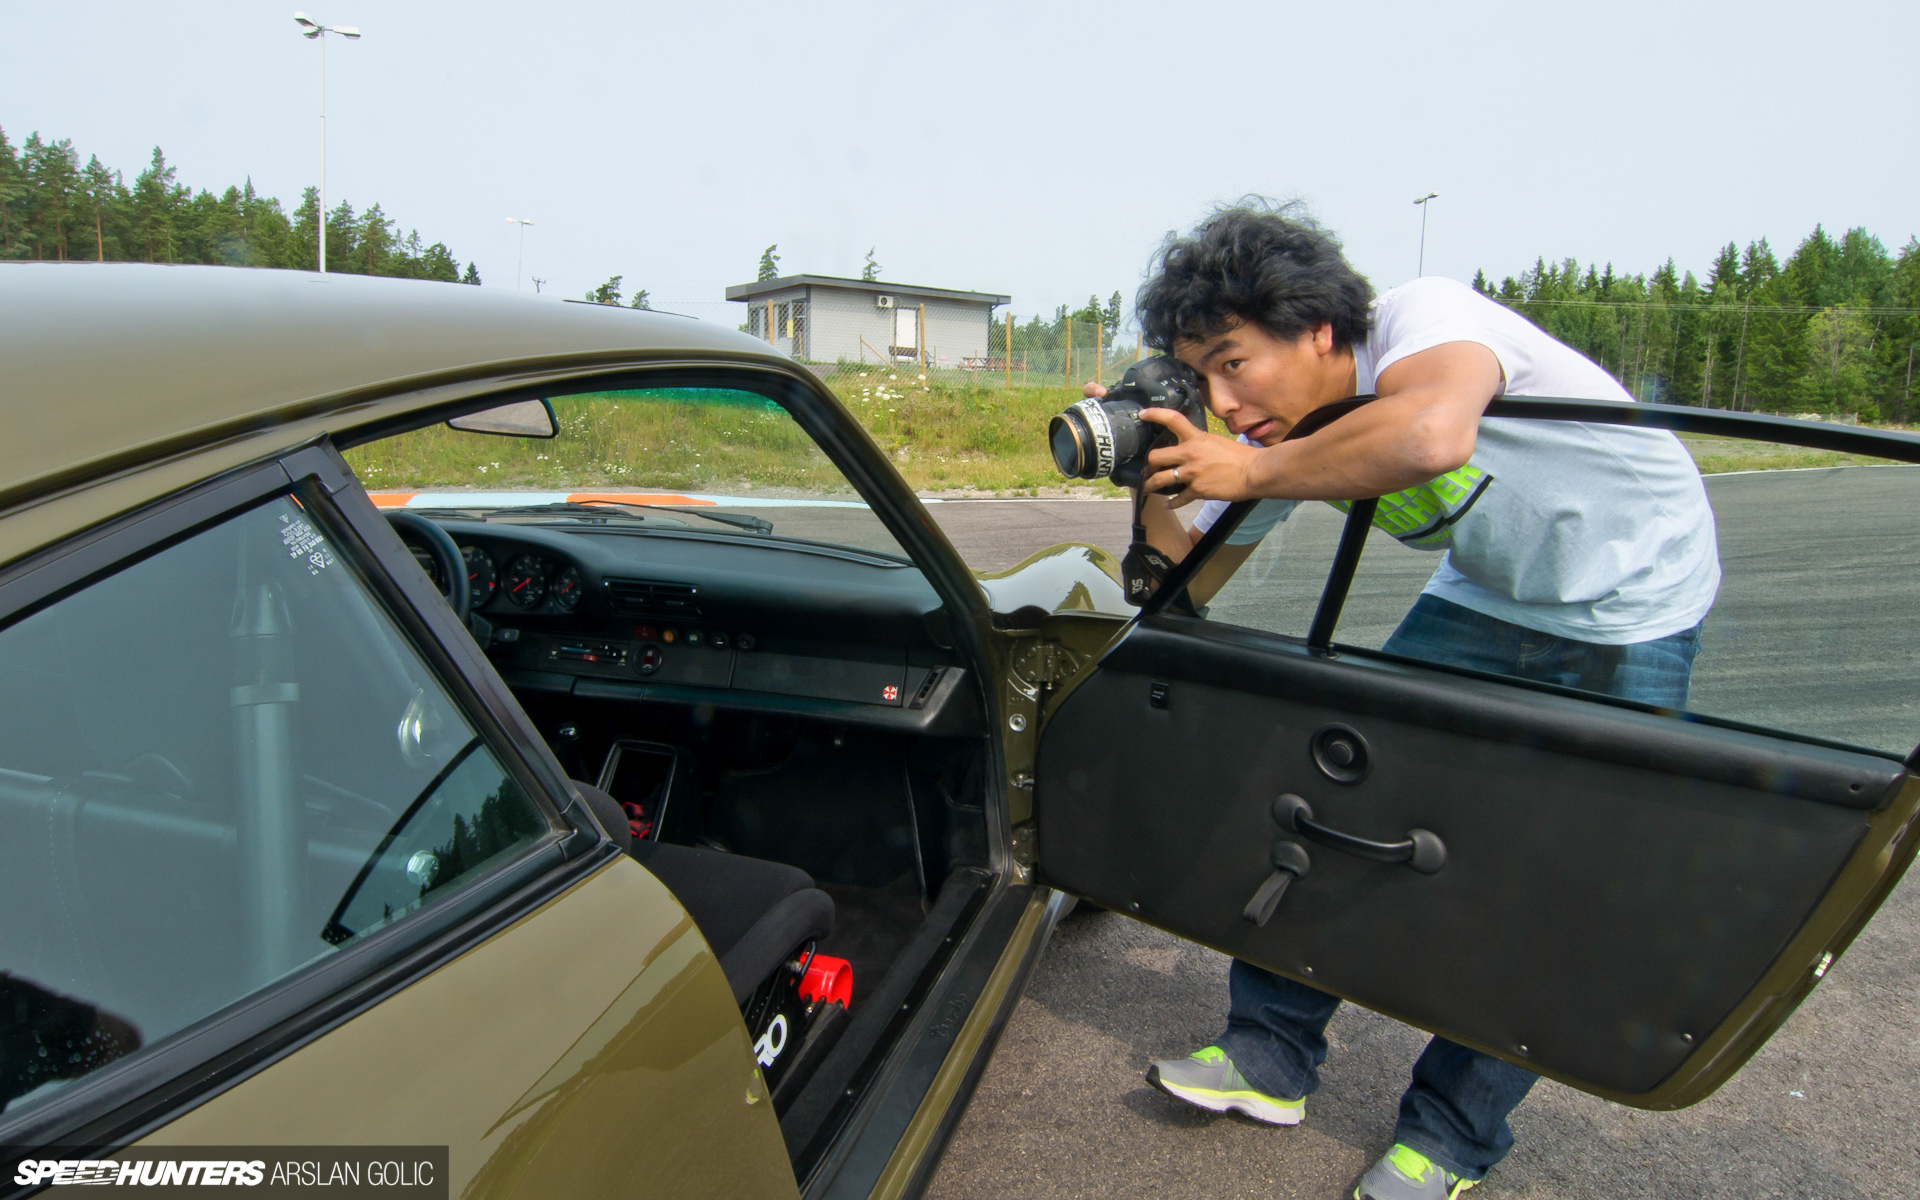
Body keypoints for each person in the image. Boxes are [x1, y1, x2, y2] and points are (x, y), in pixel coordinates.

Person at [1088, 203, 1719, 1200]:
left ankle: (1451, 1137)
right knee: (1336, 796)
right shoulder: (1276, 437)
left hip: (1634, 601)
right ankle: (1269, 1052)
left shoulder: (1423, 319)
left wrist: (1251, 468)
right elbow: (1177, 585)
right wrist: (1151, 467)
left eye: (1234, 363)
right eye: (1198, 375)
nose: (1223, 399)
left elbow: (1429, 433)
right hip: (1490, 592)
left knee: (1559, 884)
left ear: (1318, 329)